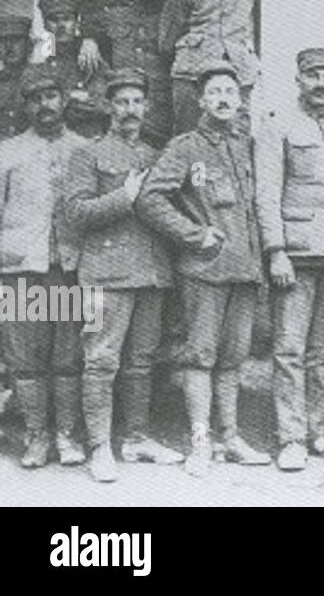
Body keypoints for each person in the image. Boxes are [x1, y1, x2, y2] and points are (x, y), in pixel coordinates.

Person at [135, 60, 270, 476]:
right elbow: (150, 199)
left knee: (233, 358)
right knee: (201, 357)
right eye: (215, 92)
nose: (225, 99)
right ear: (200, 100)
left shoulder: (246, 145)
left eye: (231, 91)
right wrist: (195, 235)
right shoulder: (186, 147)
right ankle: (200, 443)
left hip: (244, 270)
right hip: (204, 270)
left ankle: (229, 437)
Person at [65, 67, 183, 482]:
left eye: (137, 101)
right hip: (104, 274)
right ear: (108, 107)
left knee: (141, 363)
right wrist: (124, 196)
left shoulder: (156, 155)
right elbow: (76, 213)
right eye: (122, 102)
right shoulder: (88, 153)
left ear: (146, 105)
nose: (130, 110)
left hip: (151, 272)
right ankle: (99, 447)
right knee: (100, 361)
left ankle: (134, 439)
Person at [254, 48, 324, 471]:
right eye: (312, 75)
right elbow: (266, 192)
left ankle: (317, 432)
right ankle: (290, 437)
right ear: (298, 79)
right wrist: (275, 250)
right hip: (296, 253)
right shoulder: (277, 125)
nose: (320, 83)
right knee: (290, 349)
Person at [0, 66, 89, 468]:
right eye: (35, 98)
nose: (44, 105)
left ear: (64, 100)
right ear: (25, 105)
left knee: (70, 357)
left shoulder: (85, 149)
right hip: (21, 268)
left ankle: (67, 435)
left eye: (51, 96)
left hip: (71, 267)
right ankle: (36, 436)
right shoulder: (8, 151)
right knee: (25, 358)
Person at [159, 0, 258, 133]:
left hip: (239, 73)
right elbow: (167, 42)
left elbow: (258, 32)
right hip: (192, 75)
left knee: (238, 132)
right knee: (191, 133)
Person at [103, 0, 172, 147]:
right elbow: (55, 35)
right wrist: (88, 41)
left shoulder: (175, 16)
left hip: (162, 116)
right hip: (122, 117)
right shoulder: (115, 16)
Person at [36, 0, 108, 139]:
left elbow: (105, 102)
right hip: (51, 136)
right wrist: (72, 97)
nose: (61, 26)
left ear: (77, 23)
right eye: (54, 20)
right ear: (45, 25)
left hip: (89, 136)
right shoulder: (40, 57)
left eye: (67, 19)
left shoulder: (90, 55)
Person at [0, 14, 32, 139]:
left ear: (29, 45)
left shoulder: (41, 79)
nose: (9, 46)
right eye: (2, 41)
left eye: (16, 40)